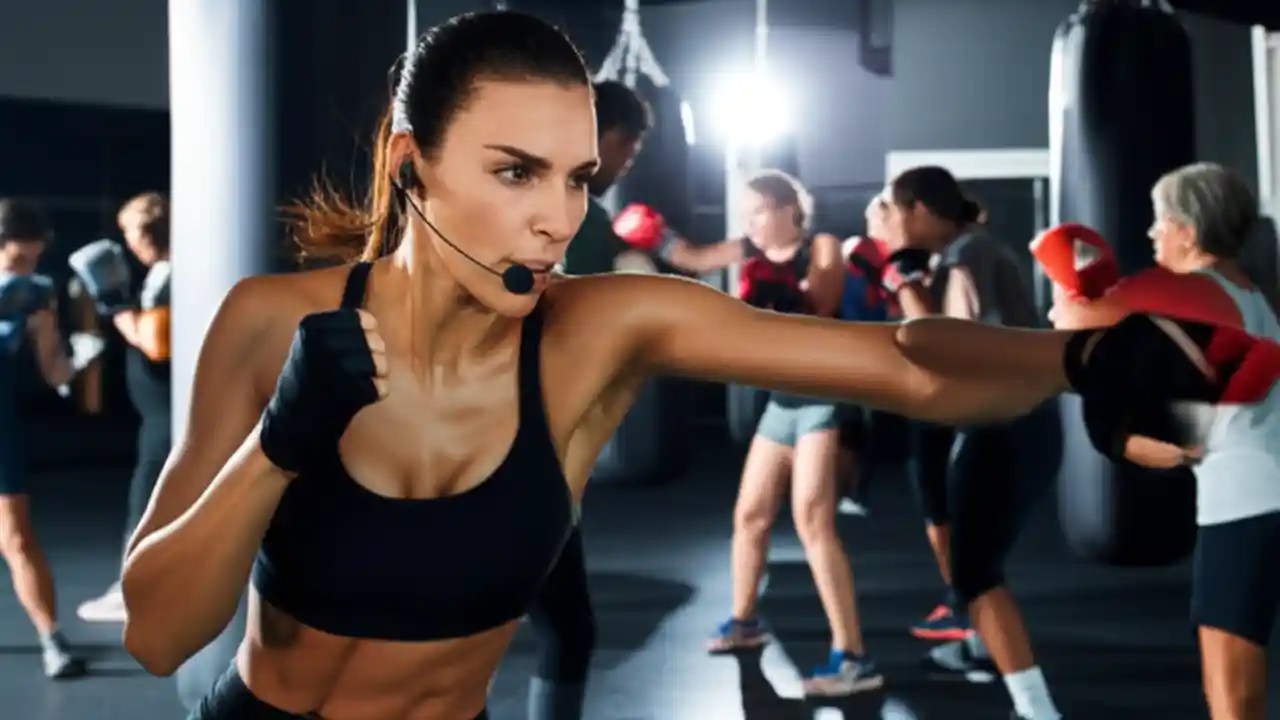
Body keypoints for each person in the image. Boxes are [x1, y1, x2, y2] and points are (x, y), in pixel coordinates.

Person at [119, 12, 1276, 720]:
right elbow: (159, 631)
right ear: (412, 164)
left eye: (577, 180)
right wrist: (280, 440)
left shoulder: (599, 327)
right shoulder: (271, 319)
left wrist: (1074, 359)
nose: (551, 219)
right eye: (515, 171)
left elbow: (904, 362)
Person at [626, 170, 883, 695]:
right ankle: (744, 622)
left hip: (824, 395)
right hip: (781, 400)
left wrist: (777, 283)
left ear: (789, 209)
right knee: (750, 516)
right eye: (746, 215)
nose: (751, 224)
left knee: (813, 520)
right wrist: (659, 237)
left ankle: (853, 656)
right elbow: (694, 259)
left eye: (759, 212)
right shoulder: (750, 248)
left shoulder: (823, 246)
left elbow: (825, 306)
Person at [1040, 162, 1280, 720]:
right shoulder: (1249, 292)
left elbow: (1069, 322)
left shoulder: (1194, 288)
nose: (1151, 235)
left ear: (1188, 234)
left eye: (1160, 222)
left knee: (1230, 689)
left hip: (1245, 503)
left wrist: (1066, 274)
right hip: (1259, 487)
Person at [879, 166, 1063, 719]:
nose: (887, 224)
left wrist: (904, 287)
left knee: (975, 573)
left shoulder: (969, 257)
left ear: (921, 212)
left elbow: (957, 349)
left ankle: (1037, 709)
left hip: (1003, 427)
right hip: (1016, 424)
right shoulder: (967, 254)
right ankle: (983, 646)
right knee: (980, 561)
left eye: (892, 212)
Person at [526, 79, 649, 720]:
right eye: (626, 144)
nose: (628, 159)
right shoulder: (572, 218)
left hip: (538, 456)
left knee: (566, 630)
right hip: (518, 457)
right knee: (564, 630)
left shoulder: (584, 219)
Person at [0, 198, 87, 679]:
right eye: (17, 259)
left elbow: (53, 369)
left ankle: (51, 638)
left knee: (15, 536)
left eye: (34, 259)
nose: (27, 268)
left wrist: (79, 360)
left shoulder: (34, 292)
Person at [76, 192, 173, 624]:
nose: (127, 242)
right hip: (157, 412)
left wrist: (113, 304)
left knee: (148, 498)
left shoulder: (173, 277)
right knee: (153, 498)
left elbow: (155, 344)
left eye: (130, 232)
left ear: (151, 232)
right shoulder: (158, 276)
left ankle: (134, 591)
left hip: (168, 414)